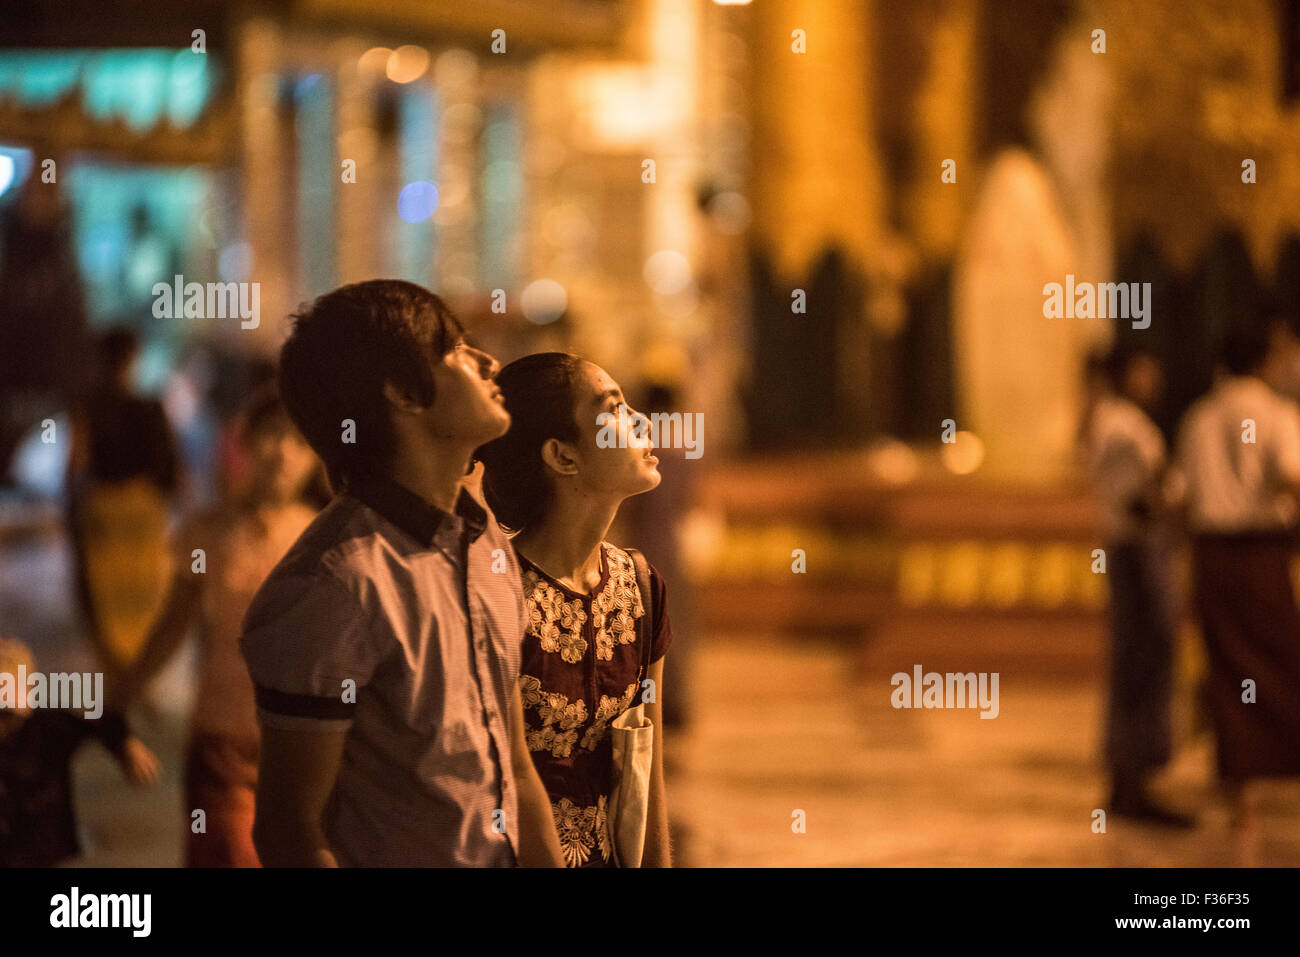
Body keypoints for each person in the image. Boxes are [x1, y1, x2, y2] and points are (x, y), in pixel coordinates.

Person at [239, 280, 564, 867]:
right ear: (401, 392)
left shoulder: (484, 540)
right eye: (457, 350)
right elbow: (291, 830)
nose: (488, 360)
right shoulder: (336, 584)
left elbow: (515, 763)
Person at [475, 353, 673, 867]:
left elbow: (645, 769)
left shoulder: (641, 587)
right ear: (563, 456)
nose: (642, 423)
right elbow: (507, 774)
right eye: (615, 410)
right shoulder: (497, 593)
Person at [112, 385, 321, 867]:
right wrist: (121, 697)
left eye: (301, 442)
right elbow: (173, 624)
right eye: (272, 435)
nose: (284, 453)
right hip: (221, 741)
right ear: (245, 443)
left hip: (305, 749)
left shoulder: (323, 536)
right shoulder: (207, 534)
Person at [1177, 320, 1300, 865]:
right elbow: (1291, 474)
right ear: (1265, 359)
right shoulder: (1276, 414)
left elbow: (1182, 492)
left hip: (1212, 554)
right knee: (1281, 662)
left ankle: (1242, 799)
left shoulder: (1199, 416)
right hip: (1262, 553)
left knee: (1231, 671)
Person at [1084, 346, 1193, 827]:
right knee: (1146, 657)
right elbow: (1137, 501)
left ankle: (1131, 778)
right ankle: (1134, 778)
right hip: (1138, 553)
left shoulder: (1113, 420)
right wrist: (1181, 514)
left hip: (1136, 550)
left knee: (1139, 659)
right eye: (1145, 367)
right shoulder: (1121, 425)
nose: (1153, 376)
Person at [66, 328, 181, 684]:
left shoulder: (87, 407)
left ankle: (117, 677)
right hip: (144, 512)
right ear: (133, 358)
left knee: (106, 602)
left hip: (104, 514)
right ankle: (138, 676)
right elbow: (174, 469)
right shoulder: (151, 408)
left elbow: (75, 465)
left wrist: (71, 512)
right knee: (143, 596)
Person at [0, 636, 159, 867]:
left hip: (43, 849)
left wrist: (125, 746)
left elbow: (101, 721)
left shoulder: (50, 726)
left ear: (29, 695)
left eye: (7, 714)